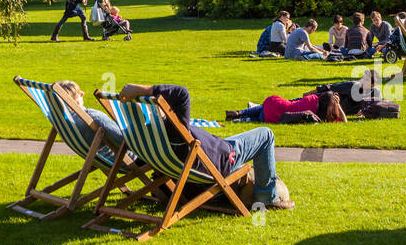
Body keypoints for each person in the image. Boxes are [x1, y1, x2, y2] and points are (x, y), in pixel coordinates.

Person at [120, 82, 293, 210]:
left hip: (210, 150)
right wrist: (143, 90)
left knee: (236, 138)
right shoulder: (172, 133)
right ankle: (267, 198)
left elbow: (134, 165)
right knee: (265, 134)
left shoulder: (147, 140)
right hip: (221, 159)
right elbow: (181, 93)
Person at [226, 89, 347, 124]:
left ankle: (239, 113)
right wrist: (338, 106)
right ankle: (242, 119)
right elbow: (344, 121)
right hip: (276, 115)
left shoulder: (313, 99)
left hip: (274, 102)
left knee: (265, 107)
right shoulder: (318, 115)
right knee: (263, 117)